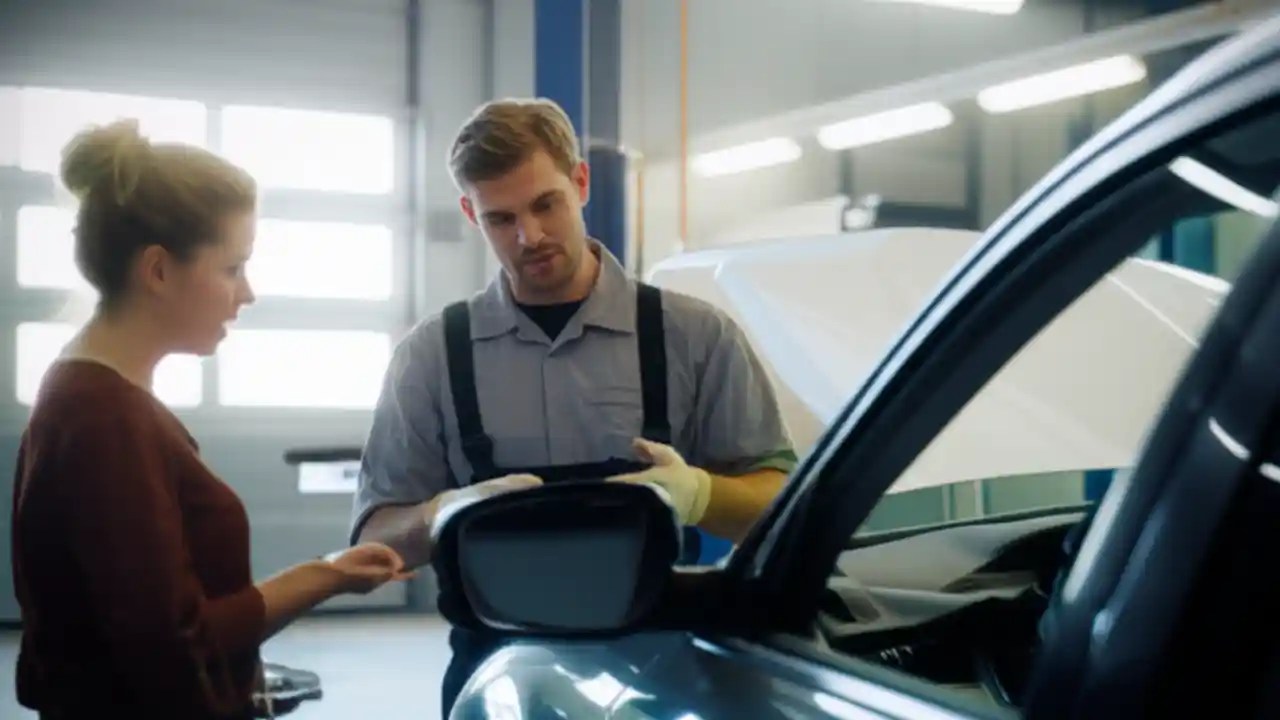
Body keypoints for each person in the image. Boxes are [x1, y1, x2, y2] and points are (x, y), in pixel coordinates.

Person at [350, 97, 798, 718]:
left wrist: (699, 495)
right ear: (469, 213)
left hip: (660, 679)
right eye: (499, 219)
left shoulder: (696, 337)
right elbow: (377, 539)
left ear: (581, 182)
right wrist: (438, 514)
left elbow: (784, 507)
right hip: (495, 677)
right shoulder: (430, 357)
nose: (528, 237)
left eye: (545, 204)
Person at [9, 119, 414, 719]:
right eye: (231, 268)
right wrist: (322, 578)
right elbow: (171, 647)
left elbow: (161, 625)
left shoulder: (92, 394)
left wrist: (326, 573)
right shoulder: (104, 418)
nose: (246, 293)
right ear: (158, 271)